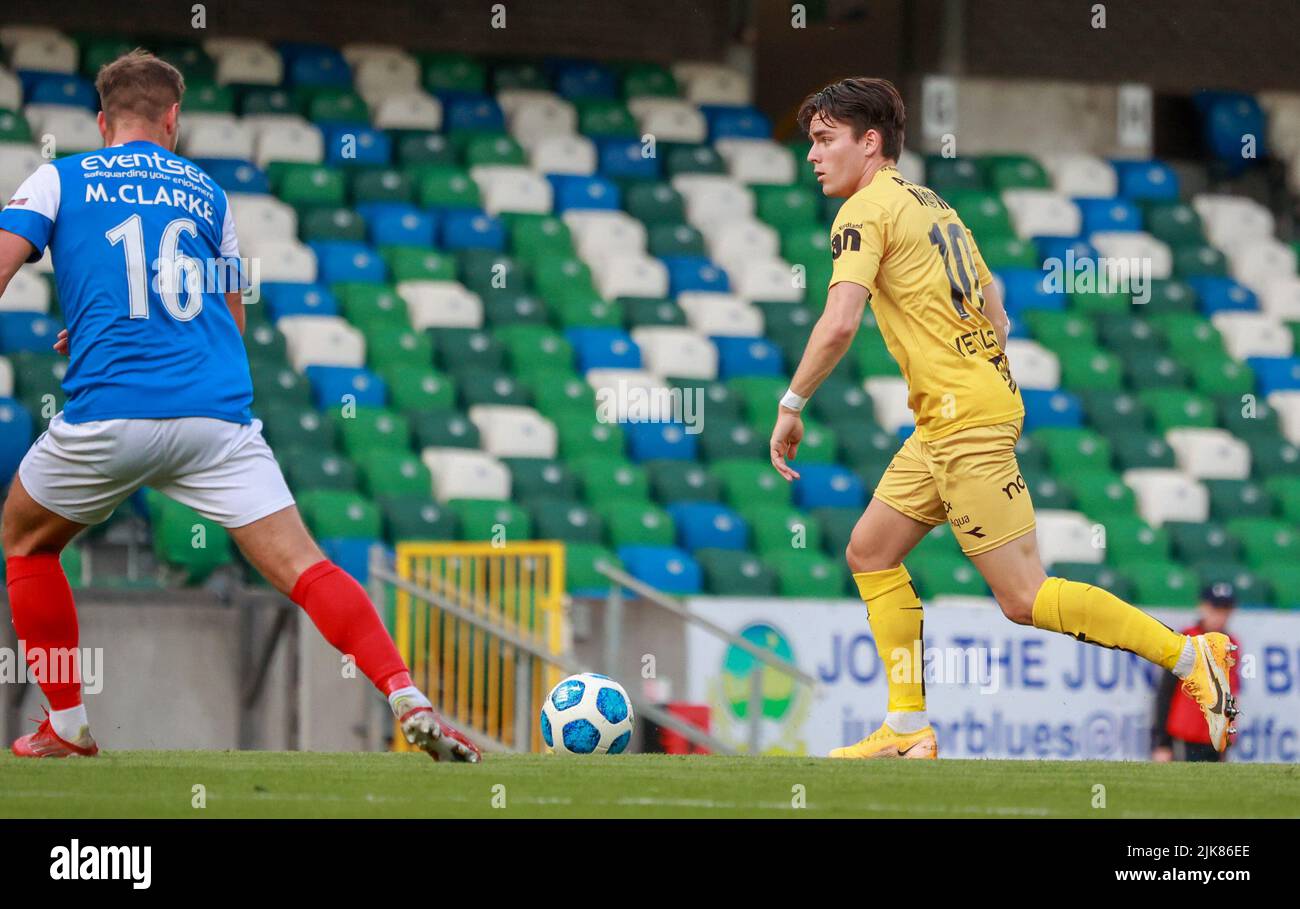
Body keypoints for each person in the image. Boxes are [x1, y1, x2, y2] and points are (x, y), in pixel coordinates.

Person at [0, 49, 478, 762]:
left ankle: (67, 721)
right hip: (215, 419)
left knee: (26, 540)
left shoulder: (58, 178)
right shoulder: (209, 194)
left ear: (103, 121)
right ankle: (406, 694)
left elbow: (6, 262)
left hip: (112, 411)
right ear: (173, 119)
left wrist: (109, 329)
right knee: (306, 565)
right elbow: (229, 313)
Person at [769, 76, 1238, 759]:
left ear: (869, 143)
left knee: (1023, 596)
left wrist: (791, 404)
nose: (812, 155)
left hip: (962, 424)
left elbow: (839, 324)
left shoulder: (863, 212)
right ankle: (907, 726)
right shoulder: (932, 204)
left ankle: (1194, 658)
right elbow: (995, 301)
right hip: (950, 418)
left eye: (823, 140)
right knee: (870, 552)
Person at [1152, 583, 1241, 762]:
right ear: (1203, 607)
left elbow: (1231, 696)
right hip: (1186, 736)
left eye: (1225, 610)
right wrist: (1161, 742)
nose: (1220, 616)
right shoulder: (1185, 641)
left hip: (1215, 739)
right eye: (1216, 609)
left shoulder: (1232, 645)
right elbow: (1165, 692)